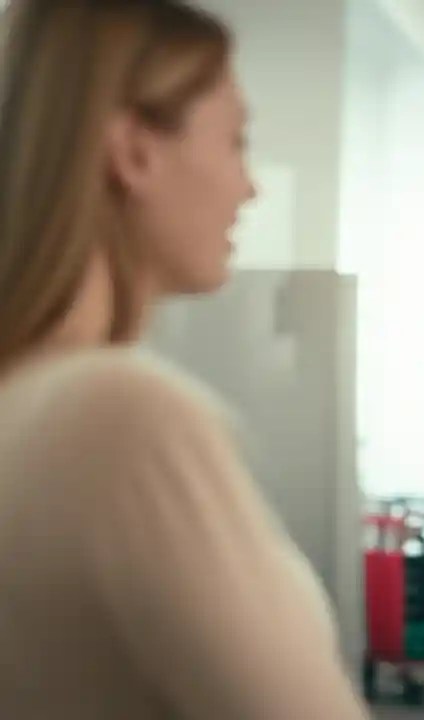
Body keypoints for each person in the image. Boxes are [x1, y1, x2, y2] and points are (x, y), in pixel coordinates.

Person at [0, 2, 370, 718]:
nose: (250, 185)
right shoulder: (116, 417)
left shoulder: (22, 401)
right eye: (236, 141)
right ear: (134, 151)